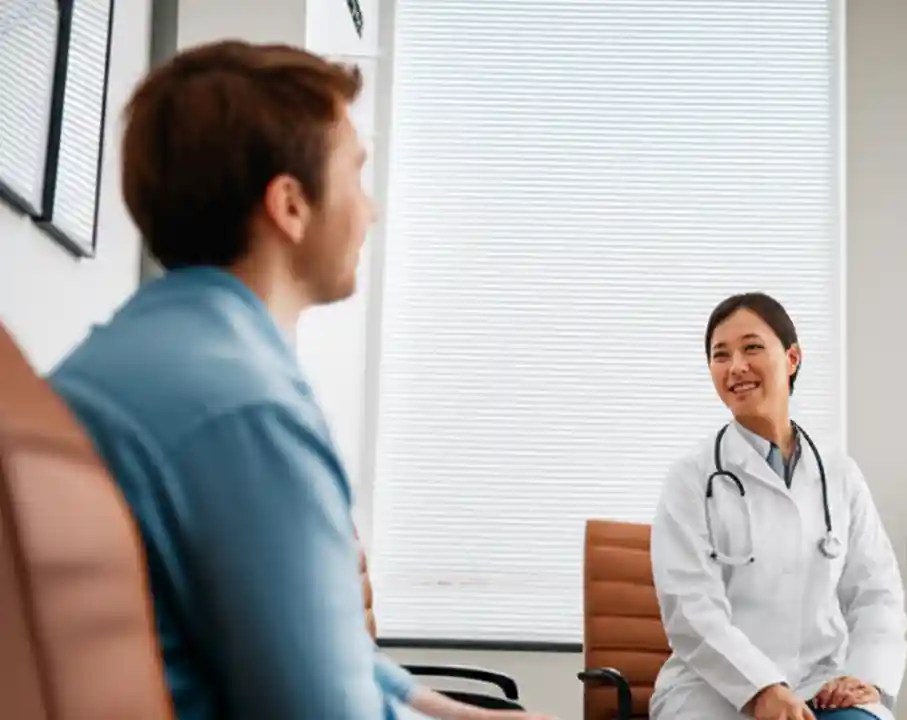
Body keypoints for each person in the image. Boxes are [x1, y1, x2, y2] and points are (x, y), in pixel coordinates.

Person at [48, 40, 551, 720]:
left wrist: (461, 714)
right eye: (356, 174)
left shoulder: (132, 361)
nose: (370, 211)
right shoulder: (245, 413)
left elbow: (315, 650)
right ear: (290, 204)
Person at [649, 293, 907, 720]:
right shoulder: (691, 479)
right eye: (720, 355)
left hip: (822, 685)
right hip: (717, 691)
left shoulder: (839, 474)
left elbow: (877, 592)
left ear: (791, 358)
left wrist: (867, 677)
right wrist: (762, 688)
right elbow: (690, 609)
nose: (736, 367)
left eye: (752, 347)